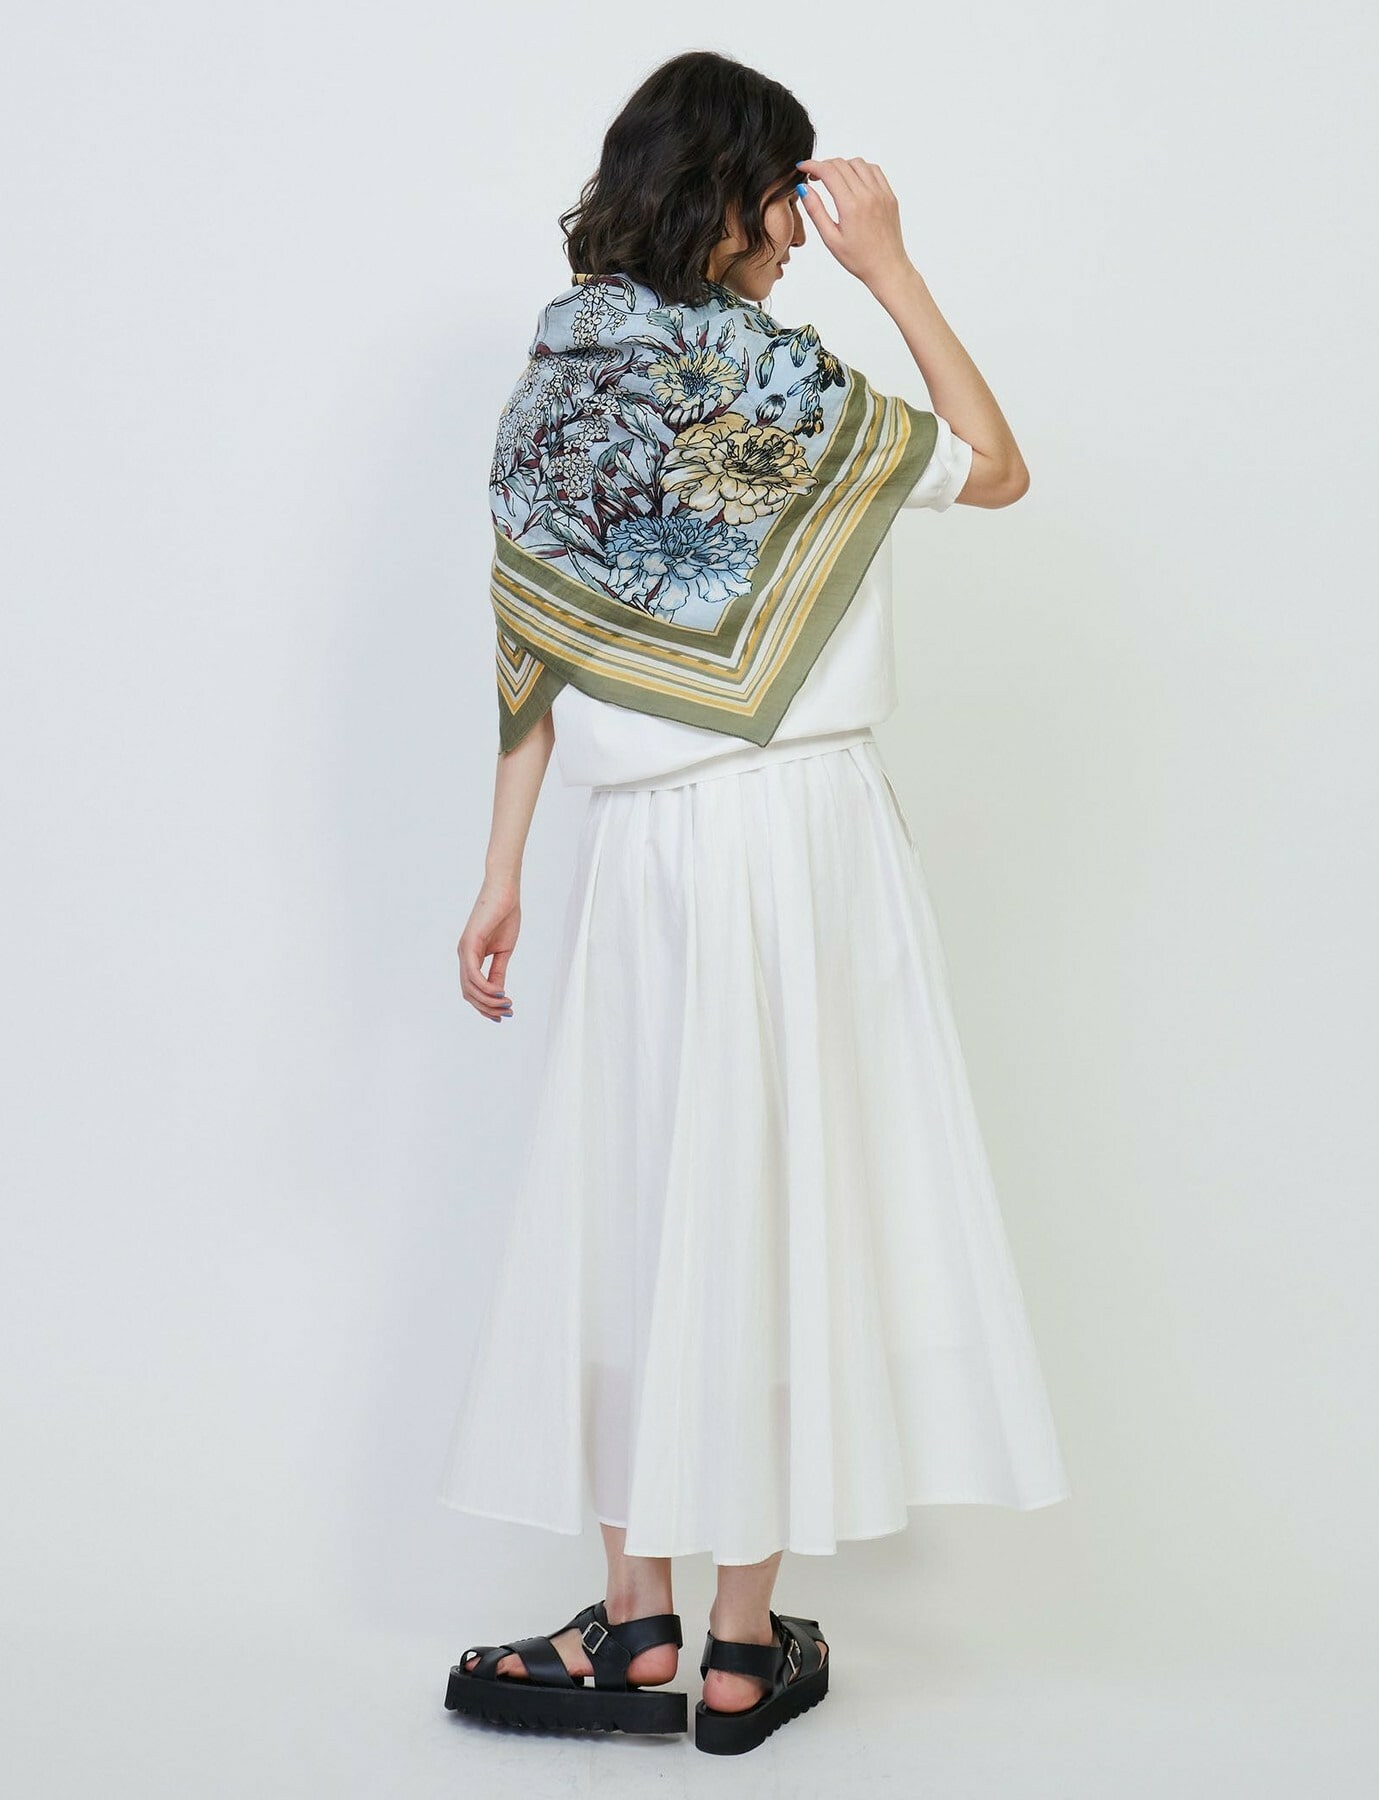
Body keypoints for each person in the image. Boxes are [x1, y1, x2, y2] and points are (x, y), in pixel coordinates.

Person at [438, 49, 1070, 1755]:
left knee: (640, 1201)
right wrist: (894, 268)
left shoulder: (558, 381)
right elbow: (995, 463)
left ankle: (638, 1625)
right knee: (778, 1205)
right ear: (719, 189)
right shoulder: (778, 380)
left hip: (647, 850)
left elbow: (534, 651)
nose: (798, 232)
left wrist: (502, 870)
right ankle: (734, 1652)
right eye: (784, 196)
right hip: (810, 836)